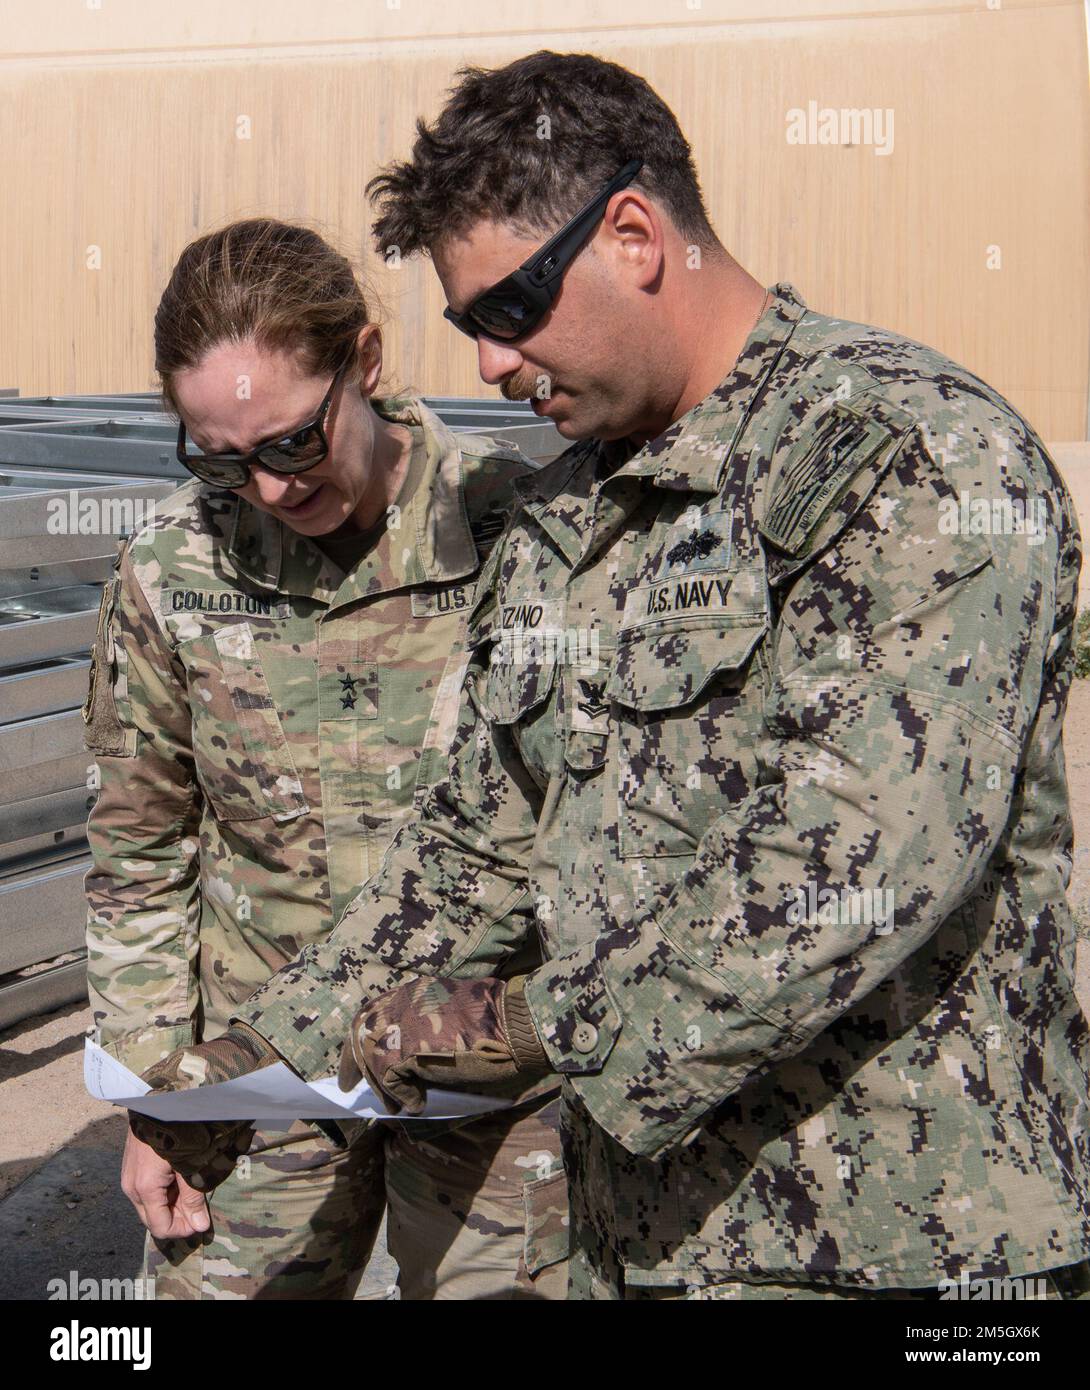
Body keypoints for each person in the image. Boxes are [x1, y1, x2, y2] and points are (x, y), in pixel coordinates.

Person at [132, 54, 1090, 1300]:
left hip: (904, 1248)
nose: (486, 364)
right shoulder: (565, 520)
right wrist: (254, 1060)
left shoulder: (908, 456)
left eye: (506, 310)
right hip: (641, 1243)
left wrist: (535, 1026)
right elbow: (475, 846)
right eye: (470, 325)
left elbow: (859, 853)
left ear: (633, 234)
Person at [83, 216, 568, 1300]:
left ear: (365, 361)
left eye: (294, 441)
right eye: (220, 455)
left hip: (482, 1081)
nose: (266, 488)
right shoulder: (174, 564)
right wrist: (157, 1096)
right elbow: (139, 847)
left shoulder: (514, 534)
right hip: (258, 1081)